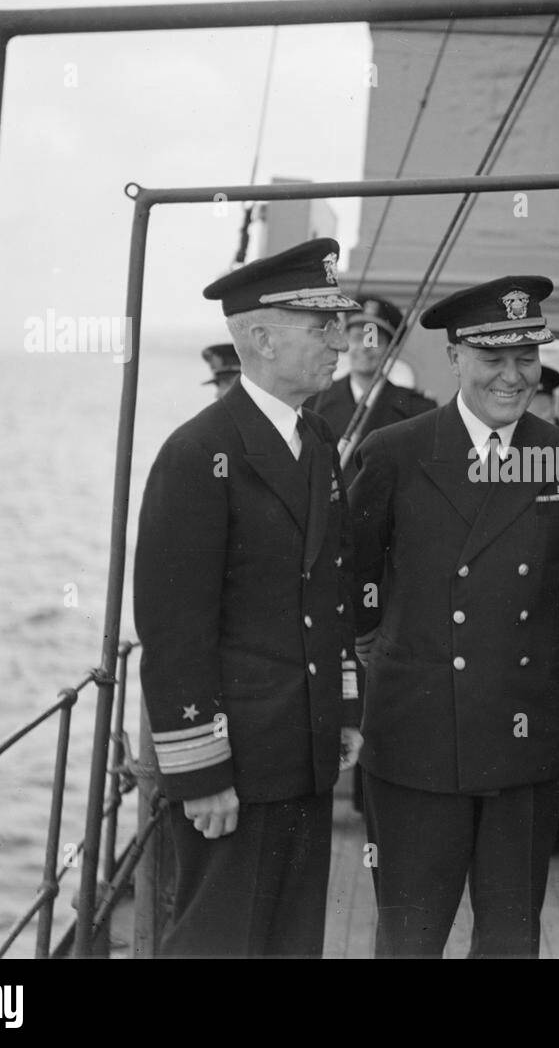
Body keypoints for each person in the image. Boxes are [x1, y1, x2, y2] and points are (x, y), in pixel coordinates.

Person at [133, 238, 363, 957]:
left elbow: (329, 592)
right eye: (322, 326)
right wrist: (200, 773)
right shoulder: (198, 453)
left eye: (341, 325)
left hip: (304, 749)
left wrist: (345, 708)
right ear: (259, 338)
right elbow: (175, 630)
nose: (341, 342)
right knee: (218, 943)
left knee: (291, 944)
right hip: (232, 765)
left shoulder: (316, 439)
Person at [349, 275, 559, 957]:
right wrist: (389, 651)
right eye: (493, 359)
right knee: (410, 937)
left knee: (512, 938)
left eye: (526, 358)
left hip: (523, 743)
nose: (512, 378)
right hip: (416, 739)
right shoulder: (395, 452)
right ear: (455, 357)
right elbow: (356, 585)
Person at [305, 295, 436, 486]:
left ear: (390, 348)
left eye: (374, 340)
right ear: (346, 341)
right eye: (358, 338)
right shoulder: (314, 402)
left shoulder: (418, 411)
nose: (365, 348)